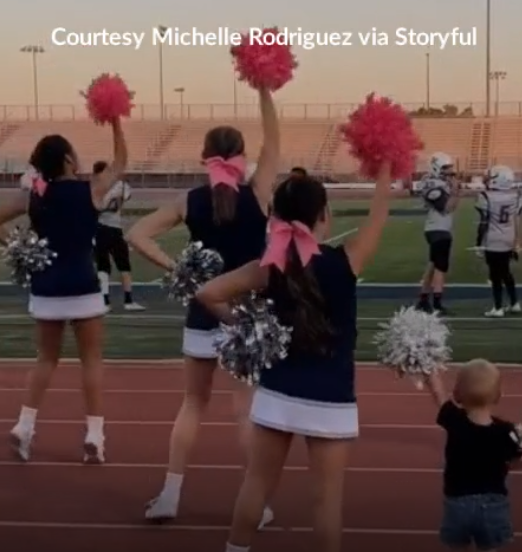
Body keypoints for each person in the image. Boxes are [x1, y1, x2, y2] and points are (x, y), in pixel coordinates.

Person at [195, 163, 393, 552]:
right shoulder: (347, 260)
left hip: (278, 393)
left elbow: (207, 294)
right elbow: (378, 215)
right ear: (324, 216)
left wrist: (246, 326)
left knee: (257, 484)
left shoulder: (267, 268)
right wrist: (385, 169)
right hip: (331, 398)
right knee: (326, 500)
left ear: (278, 217)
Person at [126, 88, 278, 525]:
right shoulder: (259, 192)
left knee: (192, 403)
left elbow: (136, 234)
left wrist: (179, 269)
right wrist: (263, 89)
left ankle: (170, 495)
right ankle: (257, 505)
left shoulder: (189, 201)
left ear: (204, 158)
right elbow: (274, 141)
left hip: (201, 313)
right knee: (245, 410)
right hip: (246, 317)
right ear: (242, 157)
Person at [0, 120, 127, 463]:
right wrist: (116, 122)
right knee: (91, 360)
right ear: (69, 161)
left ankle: (24, 426)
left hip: (46, 287)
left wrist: (16, 247)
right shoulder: (91, 190)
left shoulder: (35, 196)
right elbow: (120, 163)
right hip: (83, 285)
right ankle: (95, 435)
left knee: (45, 359)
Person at [421, 360, 522, 551]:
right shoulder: (506, 431)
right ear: (498, 395)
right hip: (493, 504)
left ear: (457, 393)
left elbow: (438, 393)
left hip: (457, 503)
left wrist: (428, 367)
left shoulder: (454, 420)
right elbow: (517, 461)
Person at [92, 161, 145, 312]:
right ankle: (126, 300)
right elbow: (123, 198)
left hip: (102, 228)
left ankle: (107, 301)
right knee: (117, 265)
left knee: (108, 266)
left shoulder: (96, 186)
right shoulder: (120, 186)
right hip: (111, 228)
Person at [475, 165, 522, 317]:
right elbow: (516, 220)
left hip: (493, 239)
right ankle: (514, 303)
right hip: (508, 238)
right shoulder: (515, 196)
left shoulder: (485, 197)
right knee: (506, 272)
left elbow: (483, 223)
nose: (487, 179)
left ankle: (498, 307)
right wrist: (517, 240)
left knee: (495, 275)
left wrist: (479, 243)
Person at [416, 152, 461, 315]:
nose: (449, 171)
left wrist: (455, 190)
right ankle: (437, 303)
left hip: (439, 228)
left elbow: (452, 206)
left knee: (433, 265)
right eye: (446, 167)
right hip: (437, 229)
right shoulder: (432, 184)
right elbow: (446, 208)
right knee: (440, 267)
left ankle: (423, 300)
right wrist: (455, 190)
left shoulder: (438, 183)